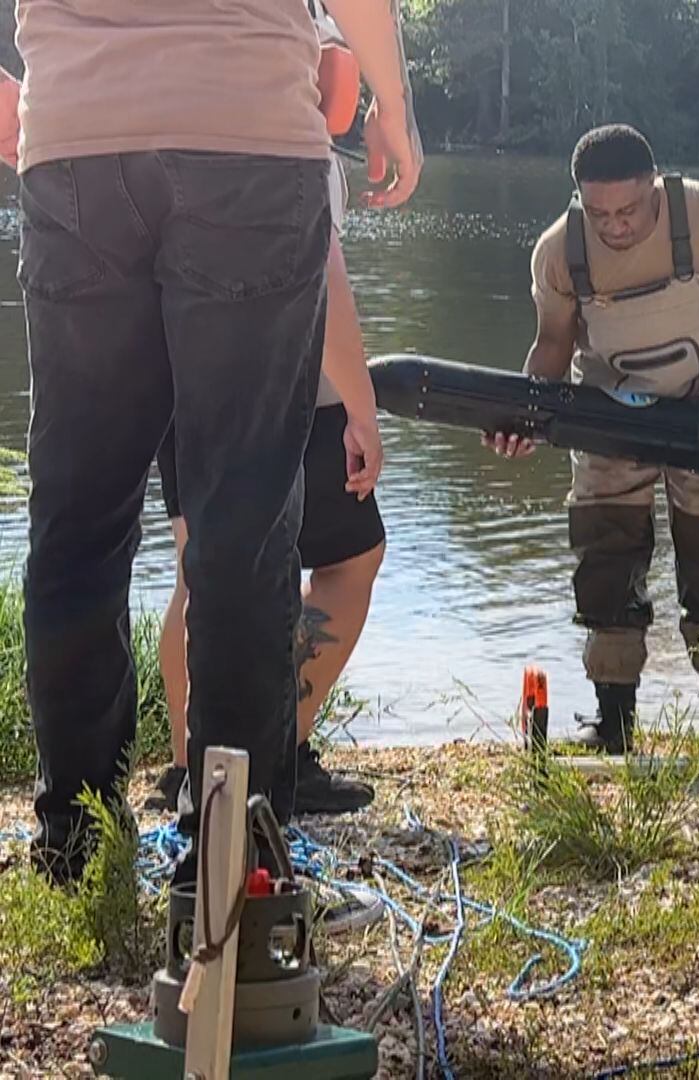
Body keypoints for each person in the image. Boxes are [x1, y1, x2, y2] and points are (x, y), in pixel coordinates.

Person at [4, 0, 421, 884]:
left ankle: (76, 844)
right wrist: (392, 104)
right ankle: (231, 858)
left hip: (77, 140)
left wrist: (39, 111)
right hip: (248, 139)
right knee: (243, 516)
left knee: (77, 514)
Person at [487, 124, 699, 756]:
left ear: (654, 186)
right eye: (599, 213)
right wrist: (522, 414)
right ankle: (614, 716)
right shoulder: (558, 251)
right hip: (606, 415)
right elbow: (551, 344)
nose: (614, 226)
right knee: (607, 558)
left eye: (627, 210)